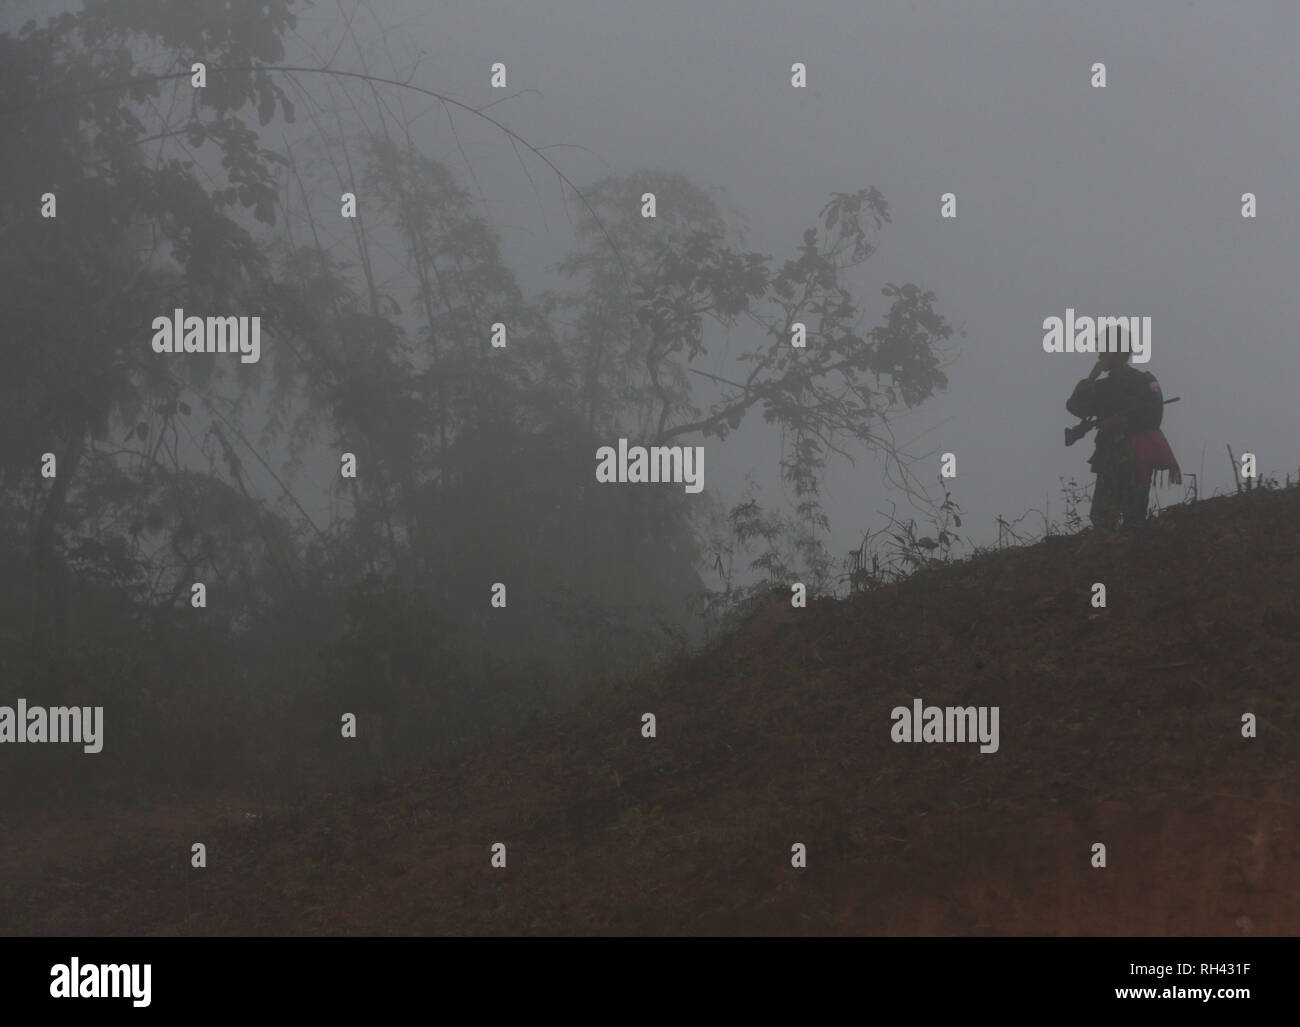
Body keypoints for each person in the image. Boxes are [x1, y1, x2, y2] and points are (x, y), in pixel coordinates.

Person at [1065, 332, 1181, 530]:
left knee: (1134, 516)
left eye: (1104, 350)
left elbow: (1154, 416)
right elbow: (1074, 406)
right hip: (1109, 457)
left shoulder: (1143, 380)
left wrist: (1124, 421)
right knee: (1101, 518)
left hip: (1136, 455)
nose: (1100, 355)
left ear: (1118, 352)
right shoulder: (1101, 387)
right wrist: (1091, 377)